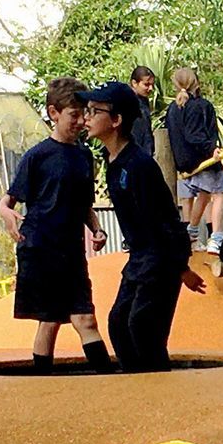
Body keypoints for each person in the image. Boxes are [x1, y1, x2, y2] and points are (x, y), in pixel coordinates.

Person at [81, 80, 197, 371]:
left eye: (95, 111)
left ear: (116, 120)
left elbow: (164, 218)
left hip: (159, 259)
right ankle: (137, 387)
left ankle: (157, 391)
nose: (87, 117)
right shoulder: (113, 163)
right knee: (118, 324)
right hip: (140, 257)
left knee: (142, 327)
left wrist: (180, 267)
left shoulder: (140, 166)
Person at [3, 76, 113, 370]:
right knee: (50, 321)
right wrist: (6, 213)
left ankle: (111, 381)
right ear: (54, 113)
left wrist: (97, 229)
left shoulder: (83, 156)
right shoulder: (37, 156)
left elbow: (85, 205)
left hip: (71, 250)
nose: (80, 121)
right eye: (73, 115)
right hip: (40, 248)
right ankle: (42, 382)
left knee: (85, 318)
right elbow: (8, 200)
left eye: (84, 114)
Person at [167, 65, 223, 252]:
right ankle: (216, 237)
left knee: (203, 193)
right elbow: (196, 135)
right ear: (196, 83)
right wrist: (212, 149)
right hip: (202, 159)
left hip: (183, 162)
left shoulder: (173, 109)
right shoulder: (200, 106)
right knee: (219, 193)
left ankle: (191, 231)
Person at [123, 65, 162, 166]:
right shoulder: (125, 101)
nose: (150, 88)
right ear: (134, 83)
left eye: (152, 85)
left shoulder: (144, 101)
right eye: (146, 84)